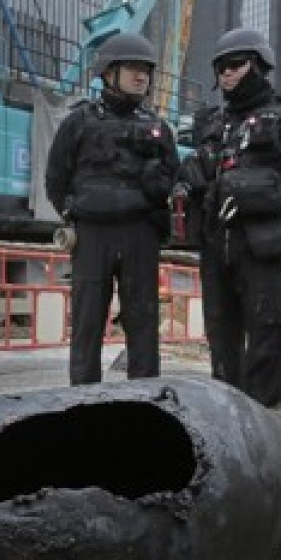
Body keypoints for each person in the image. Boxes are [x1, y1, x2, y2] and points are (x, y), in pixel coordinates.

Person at [178, 29, 281, 408]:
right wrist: (192, 178)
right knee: (221, 334)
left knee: (267, 333)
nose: (227, 74)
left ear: (259, 67)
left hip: (266, 245)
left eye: (235, 65)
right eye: (220, 68)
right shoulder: (209, 122)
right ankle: (228, 413)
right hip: (216, 245)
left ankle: (264, 418)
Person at [45, 32, 179, 386]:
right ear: (108, 73)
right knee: (88, 320)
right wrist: (76, 214)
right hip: (92, 234)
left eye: (146, 70)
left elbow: (171, 179)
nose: (142, 77)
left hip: (140, 234)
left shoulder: (157, 128)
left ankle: (146, 400)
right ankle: (83, 401)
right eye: (133, 68)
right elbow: (55, 179)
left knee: (143, 320)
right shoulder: (79, 123)